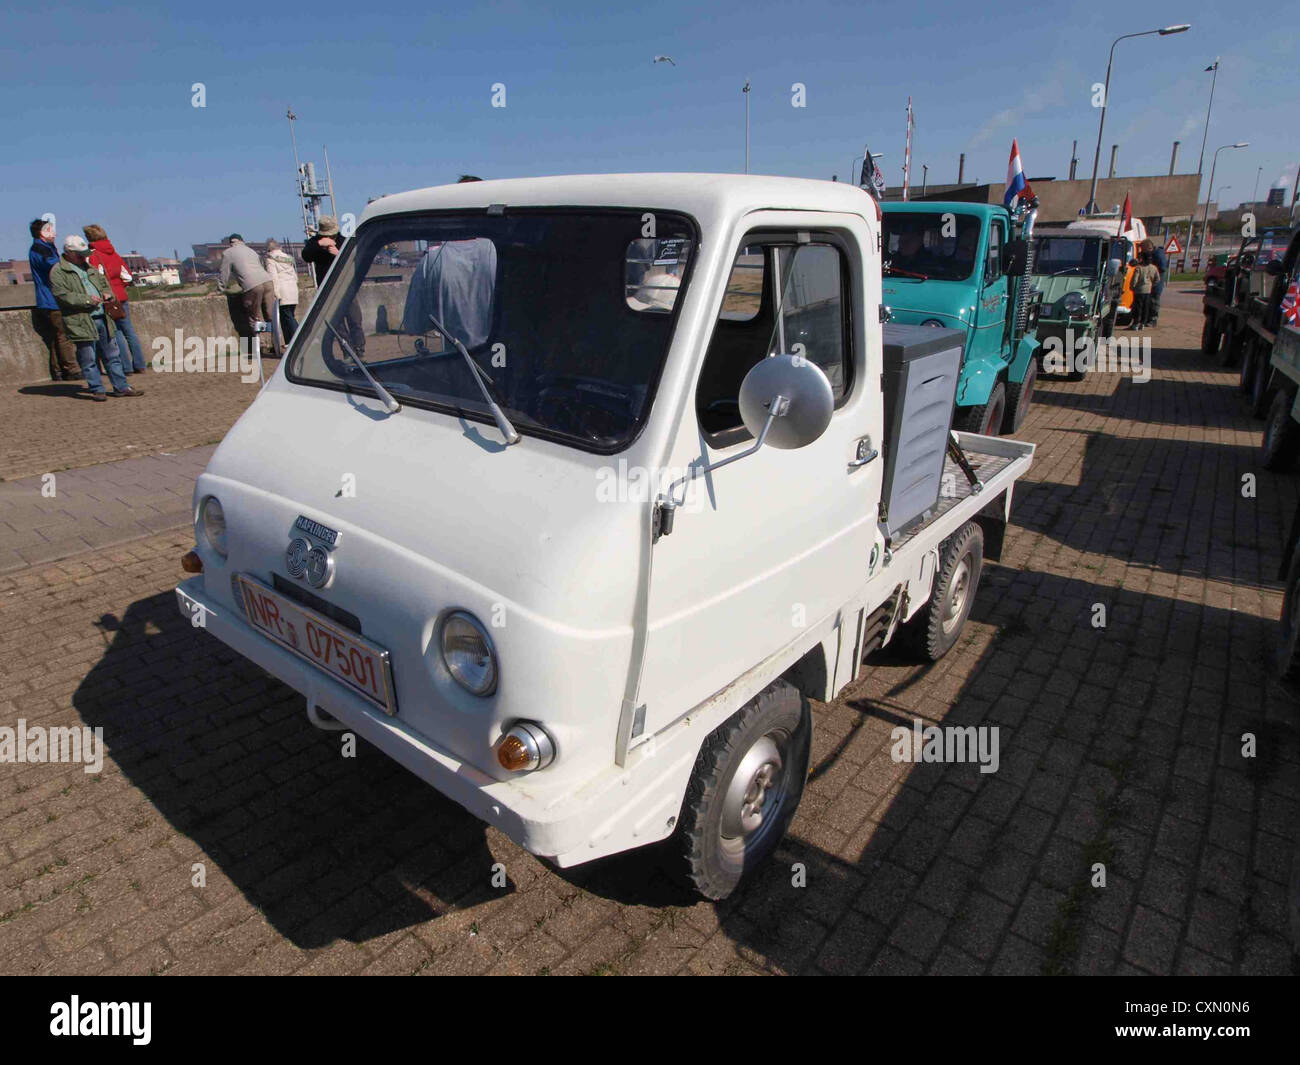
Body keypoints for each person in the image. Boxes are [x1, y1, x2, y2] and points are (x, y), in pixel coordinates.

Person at [49, 235, 143, 400]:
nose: (84, 257)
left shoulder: (90, 268)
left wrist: (109, 295)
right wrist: (86, 300)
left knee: (112, 356)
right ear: (69, 253)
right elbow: (62, 295)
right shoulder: (58, 272)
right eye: (80, 254)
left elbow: (105, 284)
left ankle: (121, 387)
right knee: (89, 358)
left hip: (102, 317)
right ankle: (97, 389)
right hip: (81, 320)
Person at [84, 224, 145, 374]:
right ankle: (140, 364)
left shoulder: (93, 255)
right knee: (129, 331)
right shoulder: (114, 253)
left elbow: (96, 278)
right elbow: (128, 276)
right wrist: (120, 285)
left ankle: (126, 367)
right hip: (122, 296)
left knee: (116, 333)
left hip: (109, 298)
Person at [28, 218, 80, 381]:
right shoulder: (41, 250)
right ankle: (72, 369)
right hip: (52, 299)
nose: (55, 234)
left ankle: (58, 370)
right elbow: (55, 268)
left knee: (55, 336)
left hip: (47, 299)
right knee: (64, 335)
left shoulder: (41, 248)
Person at [303, 217, 365, 355]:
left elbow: (355, 257)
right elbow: (306, 255)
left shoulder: (343, 241)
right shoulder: (315, 242)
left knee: (355, 318)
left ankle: (359, 348)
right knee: (337, 323)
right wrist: (320, 243)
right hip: (328, 289)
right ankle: (348, 351)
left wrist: (339, 254)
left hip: (346, 286)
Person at [218, 234, 277, 354]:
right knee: (271, 315)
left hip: (252, 285)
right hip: (267, 281)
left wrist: (219, 289)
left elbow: (224, 273)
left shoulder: (228, 253)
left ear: (230, 243)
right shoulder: (251, 251)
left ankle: (262, 345)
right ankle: (278, 343)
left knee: (254, 316)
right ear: (242, 241)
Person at [263, 238, 300, 342]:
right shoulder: (288, 258)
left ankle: (298, 338)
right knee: (289, 315)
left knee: (287, 316)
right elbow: (294, 275)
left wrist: (276, 294)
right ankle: (289, 341)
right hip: (292, 288)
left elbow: (273, 278)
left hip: (282, 290)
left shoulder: (270, 259)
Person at [1128, 251, 1159, 330]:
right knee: (1145, 308)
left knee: (1138, 308)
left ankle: (1135, 323)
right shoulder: (1154, 268)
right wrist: (1151, 285)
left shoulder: (1139, 268)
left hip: (1139, 291)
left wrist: (1132, 287)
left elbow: (1135, 279)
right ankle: (1142, 324)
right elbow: (1157, 279)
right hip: (1148, 290)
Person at [1145, 239, 1168, 326]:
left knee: (1154, 300)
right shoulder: (1155, 254)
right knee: (1150, 300)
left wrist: (1152, 270)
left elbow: (1162, 268)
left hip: (1156, 283)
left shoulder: (1158, 254)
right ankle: (1148, 318)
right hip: (1152, 282)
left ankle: (1153, 319)